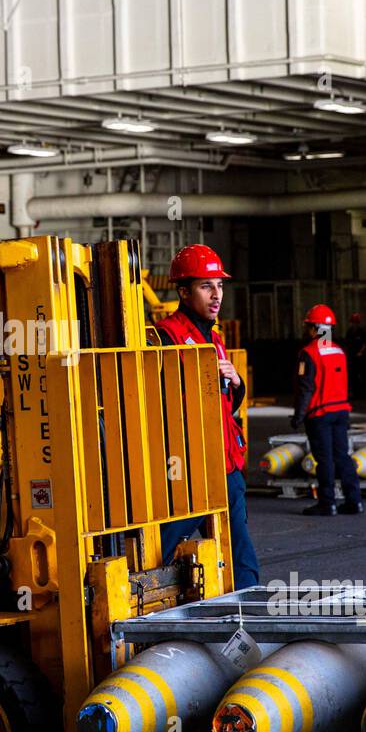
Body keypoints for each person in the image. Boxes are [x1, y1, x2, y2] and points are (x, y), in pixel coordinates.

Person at [151, 244, 258, 589]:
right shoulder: (164, 337)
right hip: (189, 464)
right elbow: (157, 404)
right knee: (161, 543)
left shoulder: (213, 338)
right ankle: (137, 602)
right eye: (205, 286)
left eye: (220, 286)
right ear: (183, 291)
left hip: (225, 462)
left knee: (239, 546)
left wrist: (235, 380)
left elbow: (228, 401)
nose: (216, 295)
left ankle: (249, 608)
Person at [290, 305, 363, 517]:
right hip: (341, 411)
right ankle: (354, 501)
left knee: (325, 459)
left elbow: (306, 388)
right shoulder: (339, 351)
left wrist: (298, 416)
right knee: (342, 456)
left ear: (313, 329)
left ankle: (327, 503)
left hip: (320, 415)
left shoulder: (308, 353)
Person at [344, 312, 366, 399]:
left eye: (356, 322)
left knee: (364, 374)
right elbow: (347, 344)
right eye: (353, 322)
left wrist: (361, 352)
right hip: (353, 356)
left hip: (362, 356)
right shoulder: (349, 332)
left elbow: (365, 344)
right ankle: (355, 393)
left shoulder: (362, 331)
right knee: (353, 375)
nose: (354, 324)